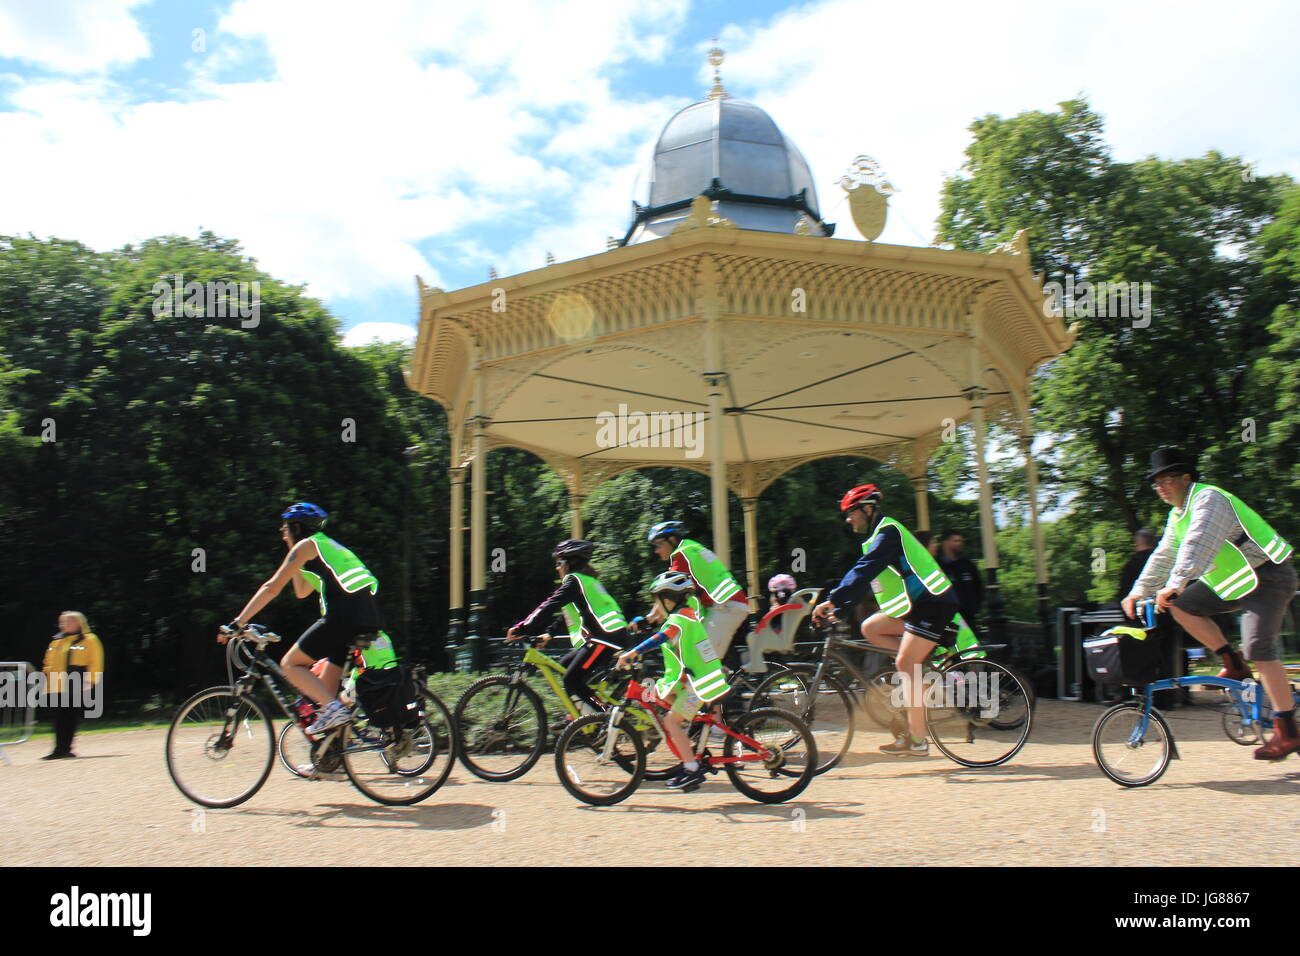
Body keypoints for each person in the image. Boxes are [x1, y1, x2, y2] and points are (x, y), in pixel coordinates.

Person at [1121, 448, 1297, 760]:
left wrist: (1175, 584)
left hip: (1269, 576)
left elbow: (1198, 544)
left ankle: (1287, 731)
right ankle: (1234, 663)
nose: (1161, 486)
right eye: (1156, 482)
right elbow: (1165, 553)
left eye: (1168, 479)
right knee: (1182, 607)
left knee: (1260, 648)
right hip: (1238, 583)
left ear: (1187, 478)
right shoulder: (1177, 516)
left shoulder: (1208, 499)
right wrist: (1138, 590)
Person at [812, 484, 961, 757]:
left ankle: (918, 741)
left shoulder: (887, 533)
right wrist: (840, 608)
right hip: (916, 608)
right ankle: (922, 667)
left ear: (867, 509)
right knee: (871, 627)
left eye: (851, 513)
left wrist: (833, 600)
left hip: (932, 602)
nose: (848, 519)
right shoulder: (876, 538)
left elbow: (864, 570)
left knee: (905, 663)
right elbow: (867, 579)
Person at [218, 502, 384, 737]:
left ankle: (336, 712)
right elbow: (301, 591)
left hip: (342, 617)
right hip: (366, 617)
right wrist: (292, 556)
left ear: (296, 527)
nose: (281, 531)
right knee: (324, 695)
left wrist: (238, 622)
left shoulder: (307, 545)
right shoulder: (322, 545)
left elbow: (272, 587)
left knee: (290, 664)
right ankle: (329, 758)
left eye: (285, 527)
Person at [617, 570, 731, 791]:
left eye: (658, 601)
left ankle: (691, 769)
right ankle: (691, 744)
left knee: (671, 722)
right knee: (663, 695)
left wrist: (634, 652)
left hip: (698, 686)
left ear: (667, 600)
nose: (657, 606)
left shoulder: (678, 619)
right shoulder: (689, 615)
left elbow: (663, 636)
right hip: (696, 681)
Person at [507, 539, 630, 715]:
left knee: (571, 679)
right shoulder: (587, 581)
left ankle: (607, 714)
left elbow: (549, 605)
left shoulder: (574, 581)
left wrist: (521, 628)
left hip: (605, 639)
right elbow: (569, 614)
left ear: (568, 562)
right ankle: (585, 712)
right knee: (565, 665)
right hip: (608, 637)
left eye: (558, 563)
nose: (556, 567)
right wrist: (548, 634)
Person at [646, 521, 748, 661]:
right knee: (695, 655)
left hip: (725, 608)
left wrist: (649, 618)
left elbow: (668, 593)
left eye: (659, 544)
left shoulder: (682, 555)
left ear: (672, 540)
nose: (656, 550)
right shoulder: (692, 547)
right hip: (725, 606)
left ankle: (718, 680)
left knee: (701, 661)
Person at [40, 611, 103, 760]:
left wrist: (91, 680)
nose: (63, 625)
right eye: (62, 622)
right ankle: (58, 749)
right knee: (57, 718)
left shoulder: (90, 639)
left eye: (67, 622)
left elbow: (96, 662)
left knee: (70, 717)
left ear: (78, 623)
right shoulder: (56, 641)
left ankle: (66, 748)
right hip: (55, 684)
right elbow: (47, 662)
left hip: (76, 683)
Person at [937, 530, 983, 627]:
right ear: (946, 542)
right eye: (956, 541)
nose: (959, 544)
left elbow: (978, 586)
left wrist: (975, 607)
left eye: (960, 541)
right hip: (947, 617)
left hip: (968, 616)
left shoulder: (967, 565)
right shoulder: (937, 565)